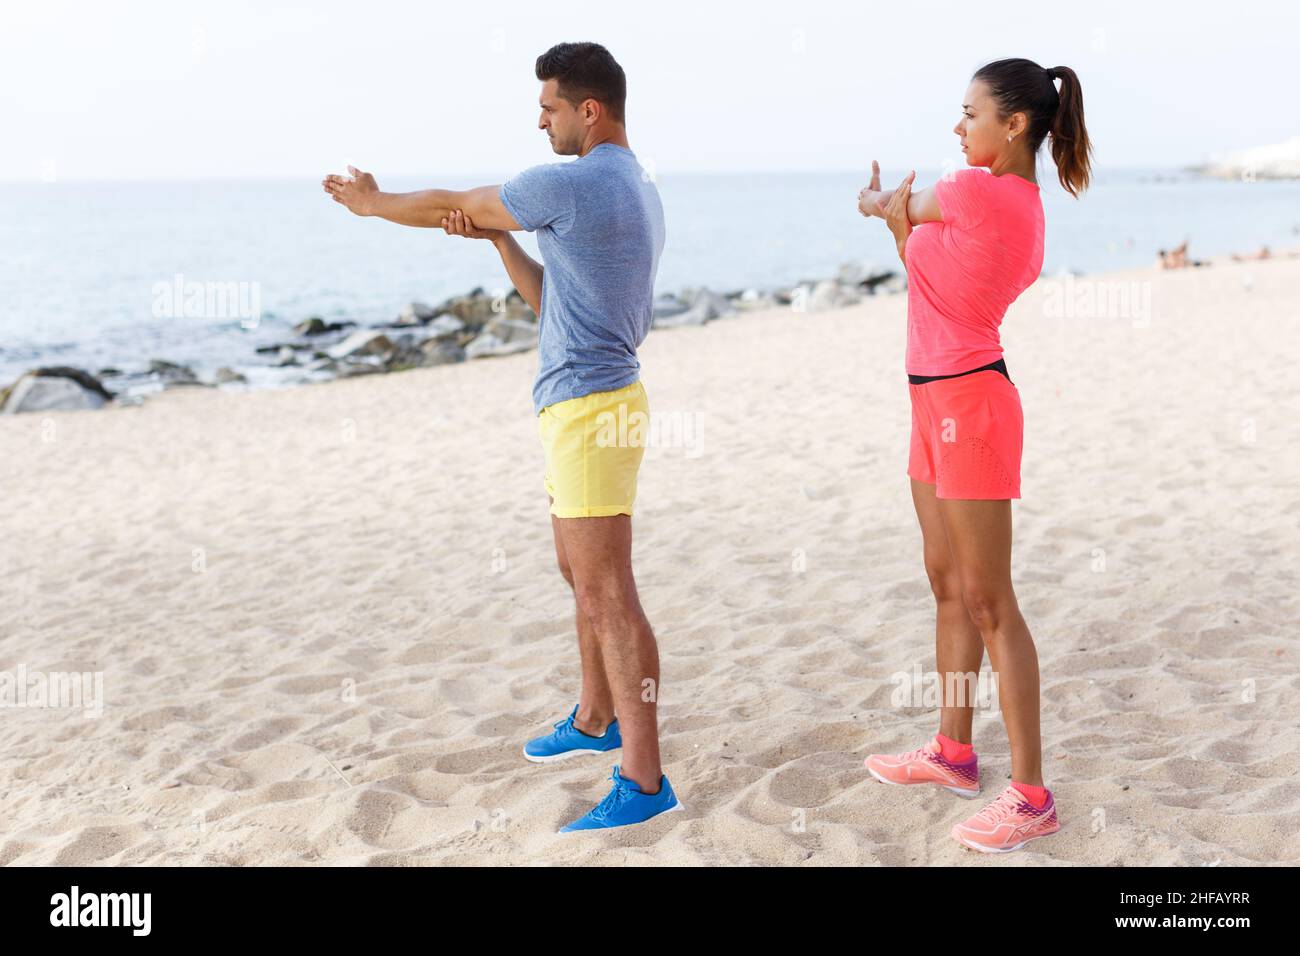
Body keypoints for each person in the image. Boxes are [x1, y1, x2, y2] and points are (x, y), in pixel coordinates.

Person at [322, 41, 679, 833]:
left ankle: (645, 779)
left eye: (549, 106)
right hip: (586, 401)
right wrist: (499, 241)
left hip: (591, 408)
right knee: (580, 573)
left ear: (590, 110)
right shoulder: (633, 183)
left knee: (608, 592)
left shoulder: (574, 181)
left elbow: (455, 196)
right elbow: (557, 299)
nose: (539, 119)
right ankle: (595, 717)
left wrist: (375, 203)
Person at [855, 58, 1093, 853]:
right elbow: (934, 281)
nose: (958, 129)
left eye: (970, 114)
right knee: (946, 581)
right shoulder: (1011, 203)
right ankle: (954, 753)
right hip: (931, 397)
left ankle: (1031, 797)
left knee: (991, 601)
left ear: (1014, 124)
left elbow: (905, 206)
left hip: (970, 406)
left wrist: (884, 207)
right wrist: (896, 223)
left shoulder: (972, 192)